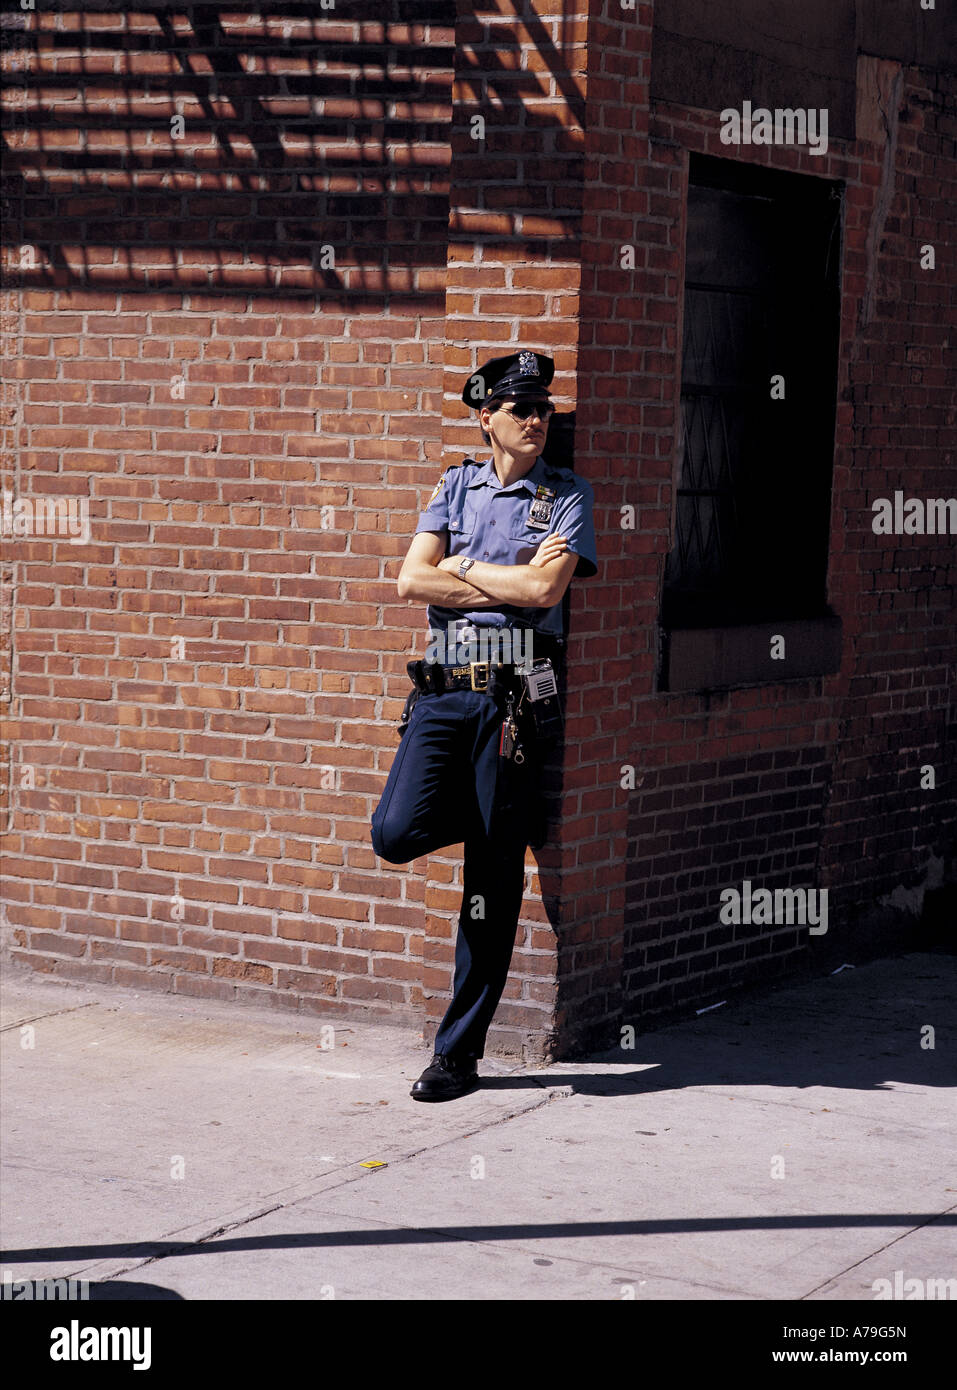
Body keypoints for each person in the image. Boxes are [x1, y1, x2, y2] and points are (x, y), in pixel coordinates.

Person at [370, 350, 597, 1100]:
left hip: (515, 698)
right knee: (395, 832)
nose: (535, 420)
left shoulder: (566, 496)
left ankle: (455, 1056)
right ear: (486, 418)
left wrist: (462, 568)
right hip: (443, 692)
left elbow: (542, 589)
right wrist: (500, 581)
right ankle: (487, 814)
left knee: (490, 882)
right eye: (519, 409)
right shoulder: (453, 484)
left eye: (543, 410)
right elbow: (409, 578)